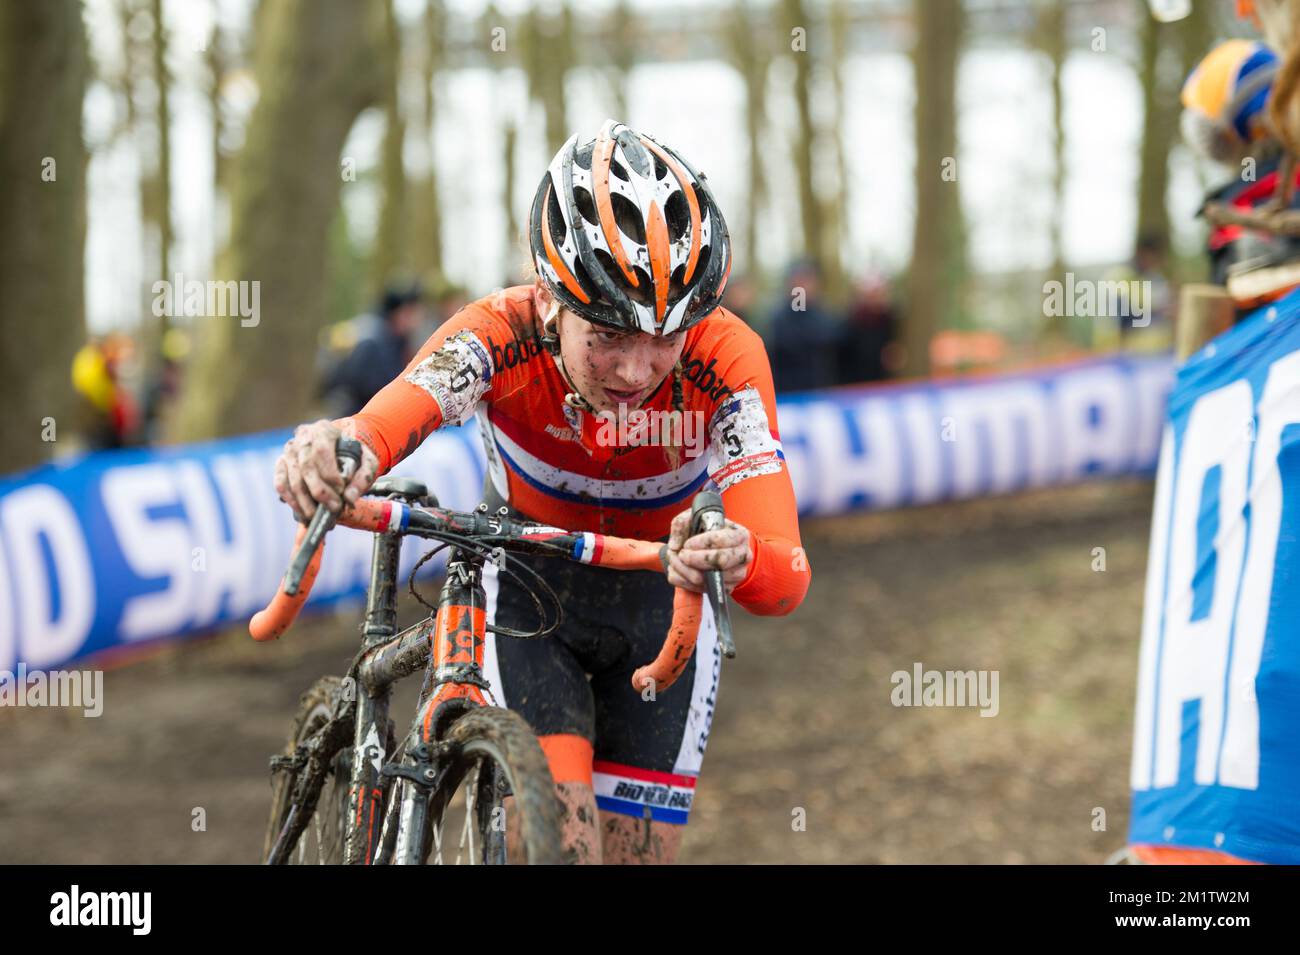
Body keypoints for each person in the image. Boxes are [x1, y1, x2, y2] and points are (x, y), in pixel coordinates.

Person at [273, 120, 811, 865]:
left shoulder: (728, 357)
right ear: (552, 299)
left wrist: (741, 554)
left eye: (666, 336)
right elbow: (392, 416)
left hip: (659, 603)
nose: (637, 368)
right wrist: (339, 450)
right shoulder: (497, 332)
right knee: (562, 848)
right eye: (609, 335)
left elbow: (784, 578)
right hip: (530, 592)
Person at [319, 282, 426, 417]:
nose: (418, 319)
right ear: (401, 312)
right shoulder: (374, 340)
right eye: (414, 312)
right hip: (354, 418)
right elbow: (369, 388)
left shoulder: (396, 338)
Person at [765, 258, 843, 393]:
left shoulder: (825, 315)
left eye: (807, 280)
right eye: (798, 280)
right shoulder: (778, 318)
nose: (803, 286)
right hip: (787, 393)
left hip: (821, 392)